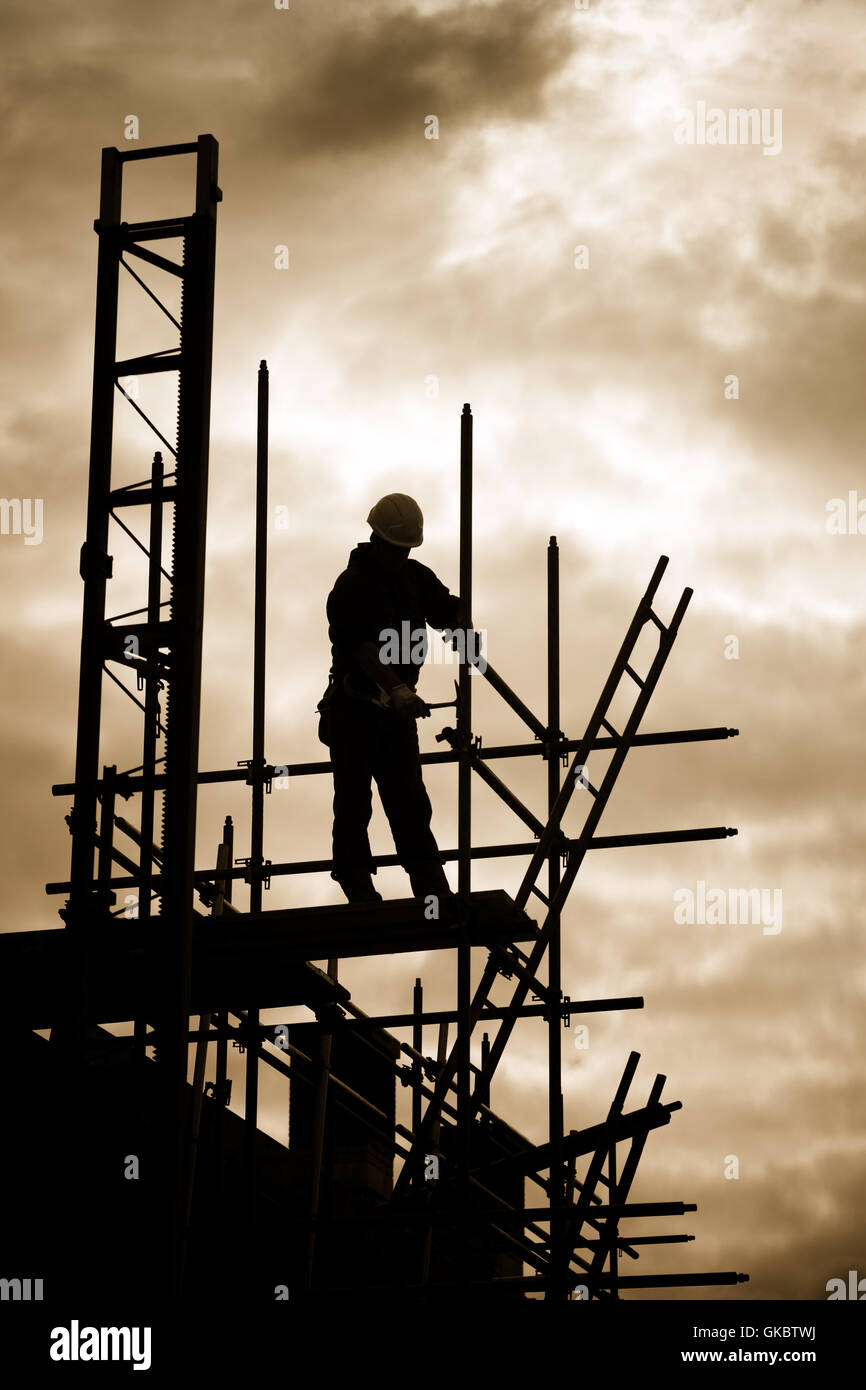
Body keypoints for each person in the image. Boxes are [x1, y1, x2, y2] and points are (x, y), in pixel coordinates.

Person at [320, 493, 461, 913]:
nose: (401, 556)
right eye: (396, 549)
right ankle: (357, 886)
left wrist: (462, 628)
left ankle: (433, 894)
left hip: (396, 716)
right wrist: (395, 688)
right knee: (354, 803)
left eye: (407, 550)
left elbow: (447, 610)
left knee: (410, 806)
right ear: (377, 541)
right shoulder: (353, 586)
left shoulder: (413, 578)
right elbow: (362, 648)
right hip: (355, 709)